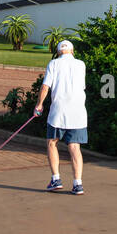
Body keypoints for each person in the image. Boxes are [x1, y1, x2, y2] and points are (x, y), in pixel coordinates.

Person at [33, 39, 87, 195]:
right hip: (78, 112)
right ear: (72, 51)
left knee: (51, 142)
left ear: (58, 52)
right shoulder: (81, 64)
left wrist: (39, 105)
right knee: (74, 146)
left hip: (58, 111)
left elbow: (45, 86)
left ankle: (56, 179)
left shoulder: (54, 64)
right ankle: (78, 184)